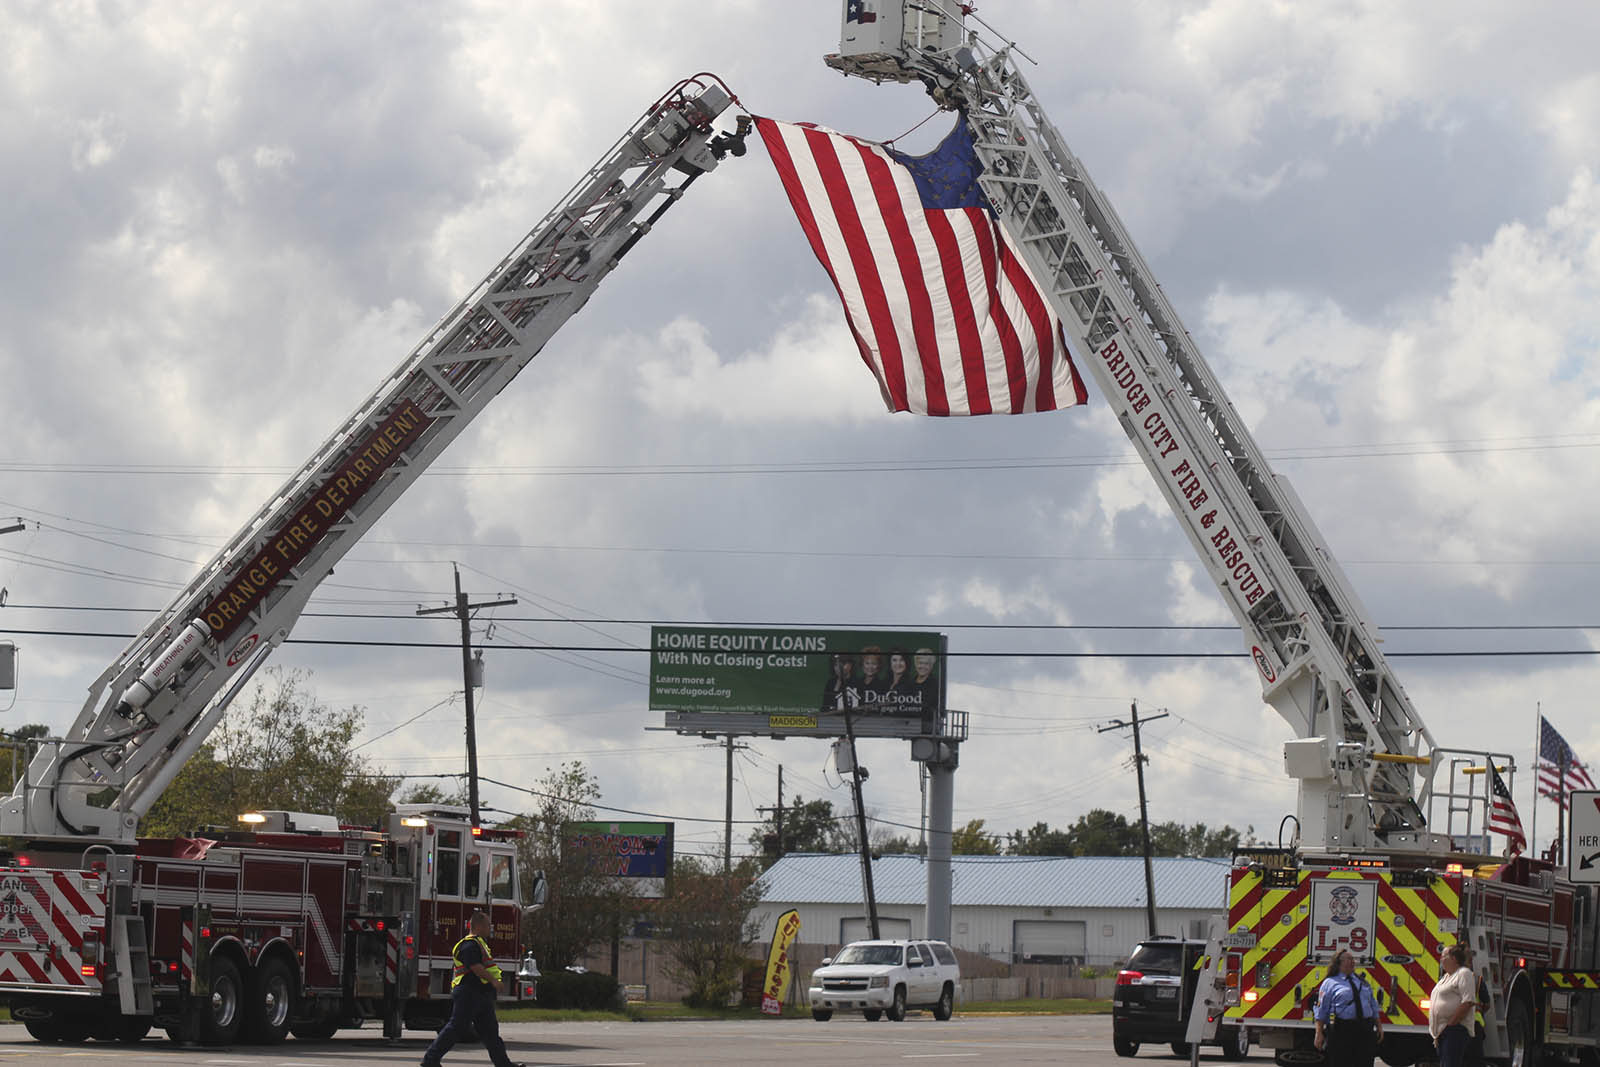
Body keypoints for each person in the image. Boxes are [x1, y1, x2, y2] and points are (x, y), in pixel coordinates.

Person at [420, 911, 524, 1067]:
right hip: (469, 992)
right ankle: (430, 1060)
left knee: (490, 1033)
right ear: (479, 926)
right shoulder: (469, 944)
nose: (490, 928)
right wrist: (494, 981)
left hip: (481, 993)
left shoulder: (480, 944)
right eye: (488, 925)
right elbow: (475, 967)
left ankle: (503, 1064)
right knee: (456, 1028)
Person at [1313, 948, 1383, 1067]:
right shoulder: (1330, 983)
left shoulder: (1362, 981)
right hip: (1342, 1030)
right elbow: (1321, 1010)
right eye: (1349, 959)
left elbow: (1372, 1004)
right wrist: (1319, 1033)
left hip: (1364, 1029)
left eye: (1353, 959)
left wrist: (1379, 1025)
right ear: (1339, 962)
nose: (1353, 962)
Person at [1430, 944, 1476, 1067]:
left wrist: (1451, 1024)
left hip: (1455, 1030)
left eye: (1444, 956)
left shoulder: (1464, 974)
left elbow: (1468, 1002)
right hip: (1443, 1032)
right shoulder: (1446, 977)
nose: (1440, 959)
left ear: (1454, 959)